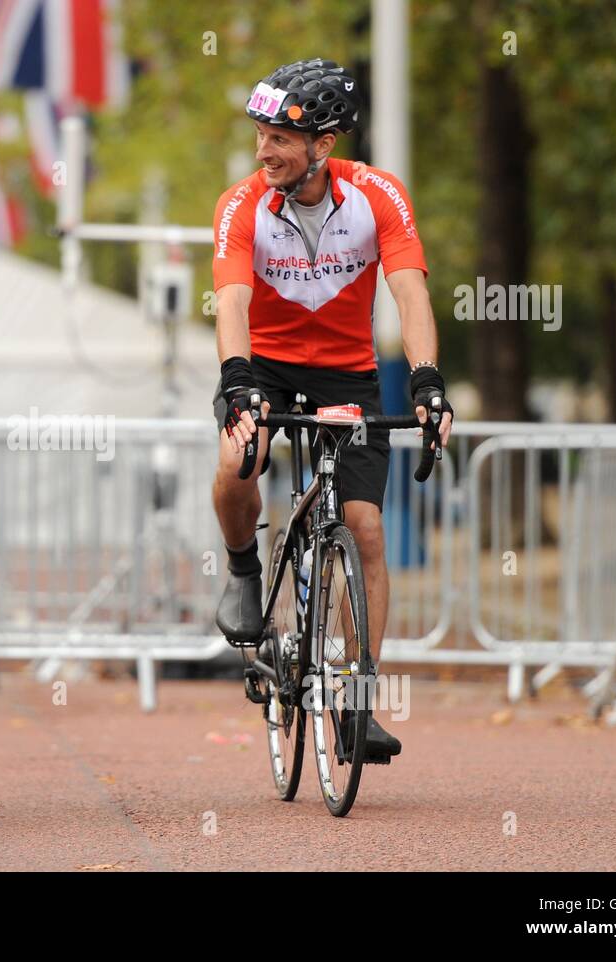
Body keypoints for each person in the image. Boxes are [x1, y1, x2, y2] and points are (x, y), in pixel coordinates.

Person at [211, 59, 454, 760]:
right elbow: (231, 301)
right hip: (264, 364)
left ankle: (357, 703)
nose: (264, 152)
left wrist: (427, 382)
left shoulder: (378, 195)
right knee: (238, 459)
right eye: (259, 136)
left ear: (323, 144)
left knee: (366, 530)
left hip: (347, 375)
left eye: (279, 140)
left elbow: (410, 292)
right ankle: (242, 570)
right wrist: (236, 382)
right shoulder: (242, 204)